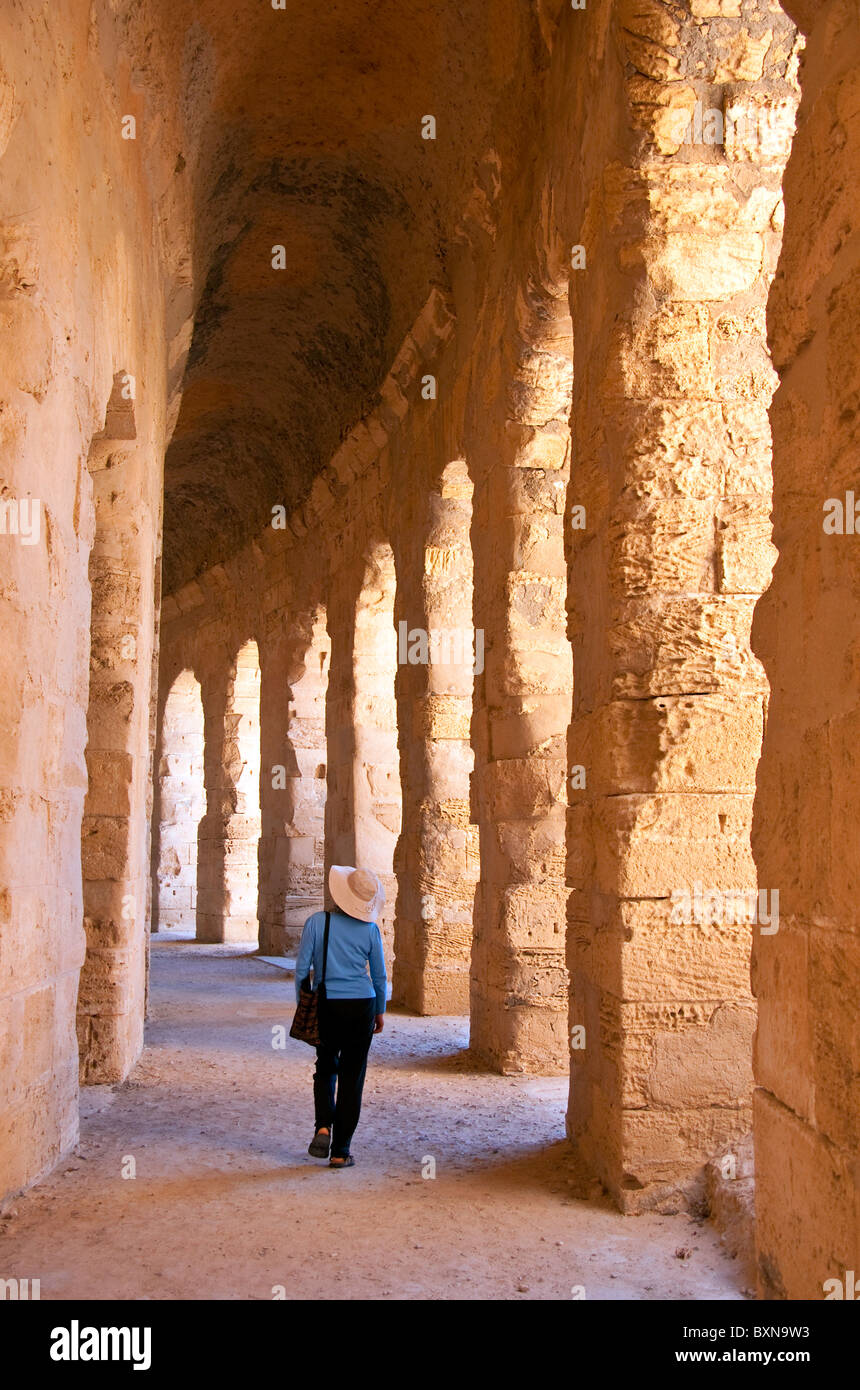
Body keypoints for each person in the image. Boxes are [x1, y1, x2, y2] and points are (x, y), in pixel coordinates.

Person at [294, 865, 387, 1168]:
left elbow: (301, 971)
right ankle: (340, 1151)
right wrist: (380, 1011)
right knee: (352, 1076)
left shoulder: (317, 923)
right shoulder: (371, 930)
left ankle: (323, 1126)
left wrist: (304, 1004)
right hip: (362, 1005)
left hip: (328, 1003)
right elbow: (379, 976)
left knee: (325, 1067)